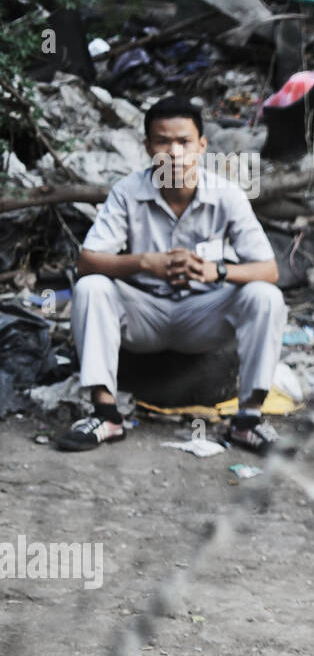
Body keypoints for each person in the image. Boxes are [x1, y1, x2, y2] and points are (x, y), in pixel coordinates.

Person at [56, 95, 286, 453]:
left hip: (203, 317)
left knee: (265, 295)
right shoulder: (128, 192)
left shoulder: (227, 195)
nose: (174, 153)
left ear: (202, 146)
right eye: (163, 142)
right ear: (148, 147)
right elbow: (87, 260)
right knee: (92, 287)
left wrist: (217, 271)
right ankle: (105, 415)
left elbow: (269, 270)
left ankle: (247, 421)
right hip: (143, 315)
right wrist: (146, 263)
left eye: (184, 142)